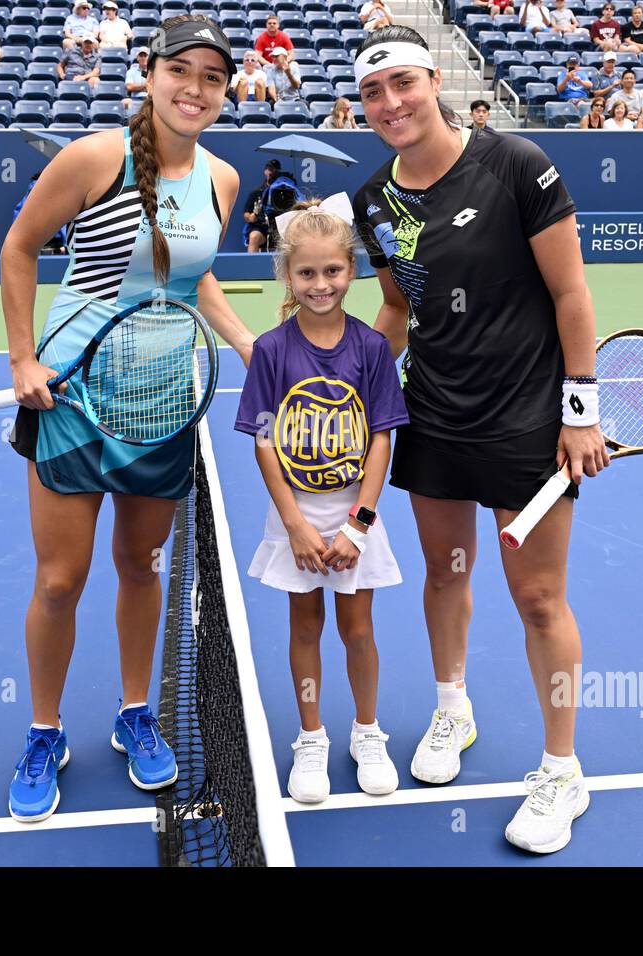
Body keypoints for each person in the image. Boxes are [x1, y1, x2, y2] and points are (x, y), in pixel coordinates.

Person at [351, 25, 609, 854]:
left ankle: (563, 771)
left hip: (527, 420)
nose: (391, 103)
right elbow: (398, 309)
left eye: (403, 83)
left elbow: (571, 293)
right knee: (444, 572)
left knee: (538, 598)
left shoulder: (517, 165)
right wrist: (346, 385)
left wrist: (581, 411)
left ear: (436, 80)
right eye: (373, 91)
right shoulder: (373, 202)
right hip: (433, 414)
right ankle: (452, 708)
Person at [0, 15, 254, 823]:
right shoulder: (94, 157)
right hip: (71, 398)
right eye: (183, 70)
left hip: (162, 405)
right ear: (149, 73)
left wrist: (250, 345)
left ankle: (136, 712)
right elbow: (19, 247)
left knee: (141, 566)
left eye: (213, 78)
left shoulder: (221, 179)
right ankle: (44, 730)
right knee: (59, 579)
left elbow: (195, 282)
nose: (196, 88)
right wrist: (20, 361)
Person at [236, 196, 408, 804]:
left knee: (357, 628)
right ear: (287, 275)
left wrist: (359, 524)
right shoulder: (272, 351)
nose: (320, 283)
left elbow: (382, 436)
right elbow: (262, 439)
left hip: (353, 514)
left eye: (332, 270)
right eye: (306, 272)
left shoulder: (370, 349)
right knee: (303, 625)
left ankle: (368, 732)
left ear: (351, 269)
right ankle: (311, 738)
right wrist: (294, 526)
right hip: (296, 516)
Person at [242, 159, 280, 252]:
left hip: (280, 228)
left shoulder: (284, 192)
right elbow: (246, 213)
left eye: (275, 170)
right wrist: (250, 217)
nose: (271, 173)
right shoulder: (256, 192)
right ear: (265, 171)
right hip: (261, 228)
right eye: (270, 170)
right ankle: (251, 265)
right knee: (254, 236)